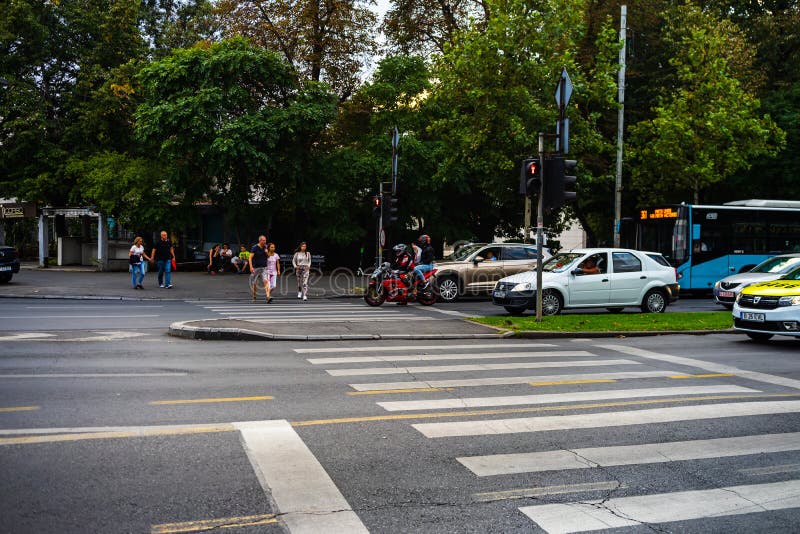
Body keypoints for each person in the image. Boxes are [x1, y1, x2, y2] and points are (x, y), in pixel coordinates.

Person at [248, 235, 269, 302]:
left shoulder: (265, 247)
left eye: (265, 240)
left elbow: (268, 256)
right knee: (255, 283)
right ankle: (254, 296)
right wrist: (251, 266)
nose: (265, 241)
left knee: (266, 281)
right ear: (260, 240)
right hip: (256, 268)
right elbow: (250, 257)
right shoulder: (254, 247)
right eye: (264, 240)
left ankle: (268, 296)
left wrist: (266, 252)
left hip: (264, 267)